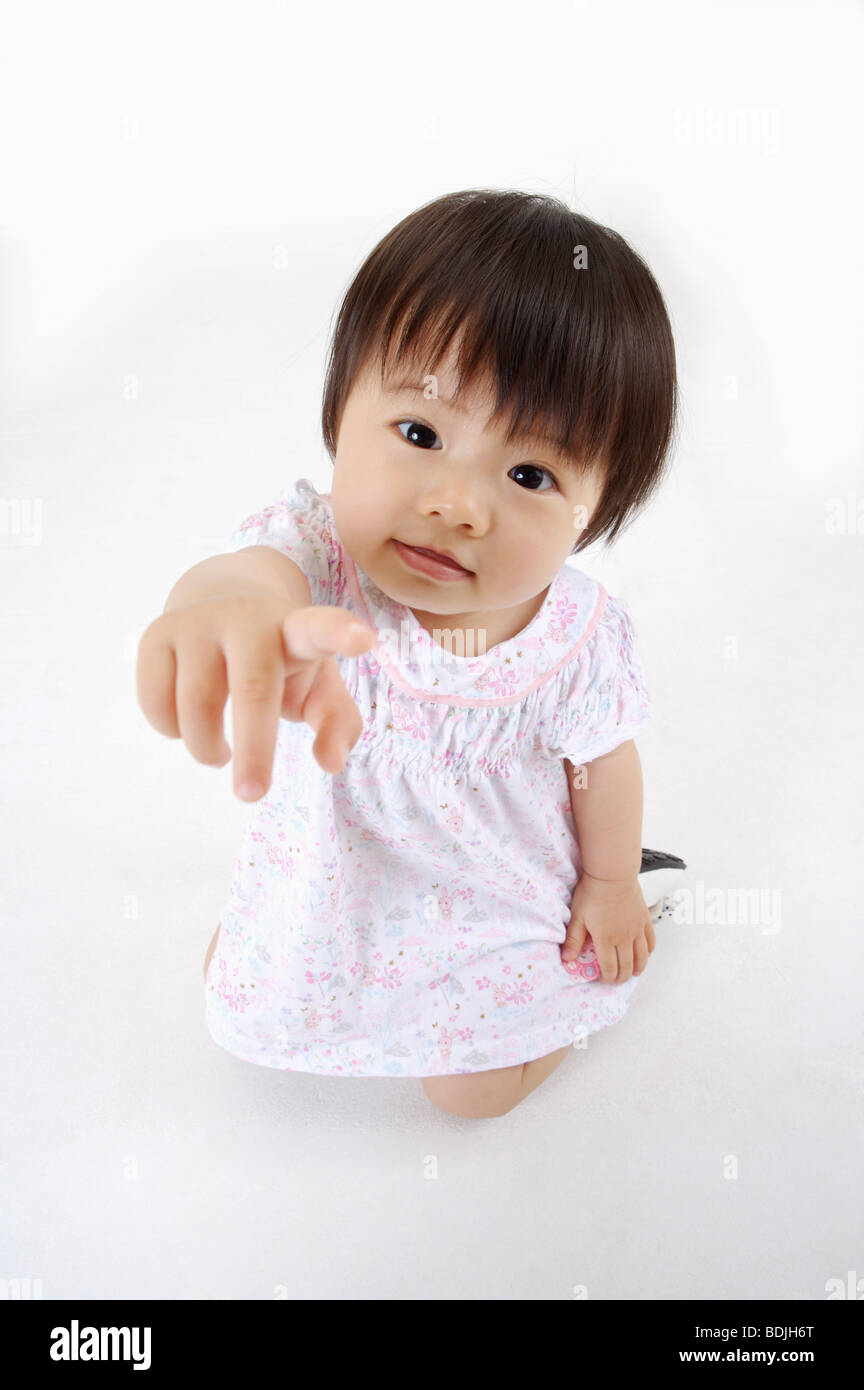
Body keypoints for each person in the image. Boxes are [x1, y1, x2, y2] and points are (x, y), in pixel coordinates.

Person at [136, 188, 685, 1118]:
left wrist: (610, 882)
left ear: (596, 510)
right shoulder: (319, 557)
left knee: (472, 1095)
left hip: (486, 898)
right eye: (421, 434)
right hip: (334, 878)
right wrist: (222, 608)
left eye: (529, 475)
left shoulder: (578, 638)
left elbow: (603, 763)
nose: (458, 505)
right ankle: (307, 952)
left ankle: (549, 1008)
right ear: (338, 416)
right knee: (232, 989)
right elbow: (249, 577)